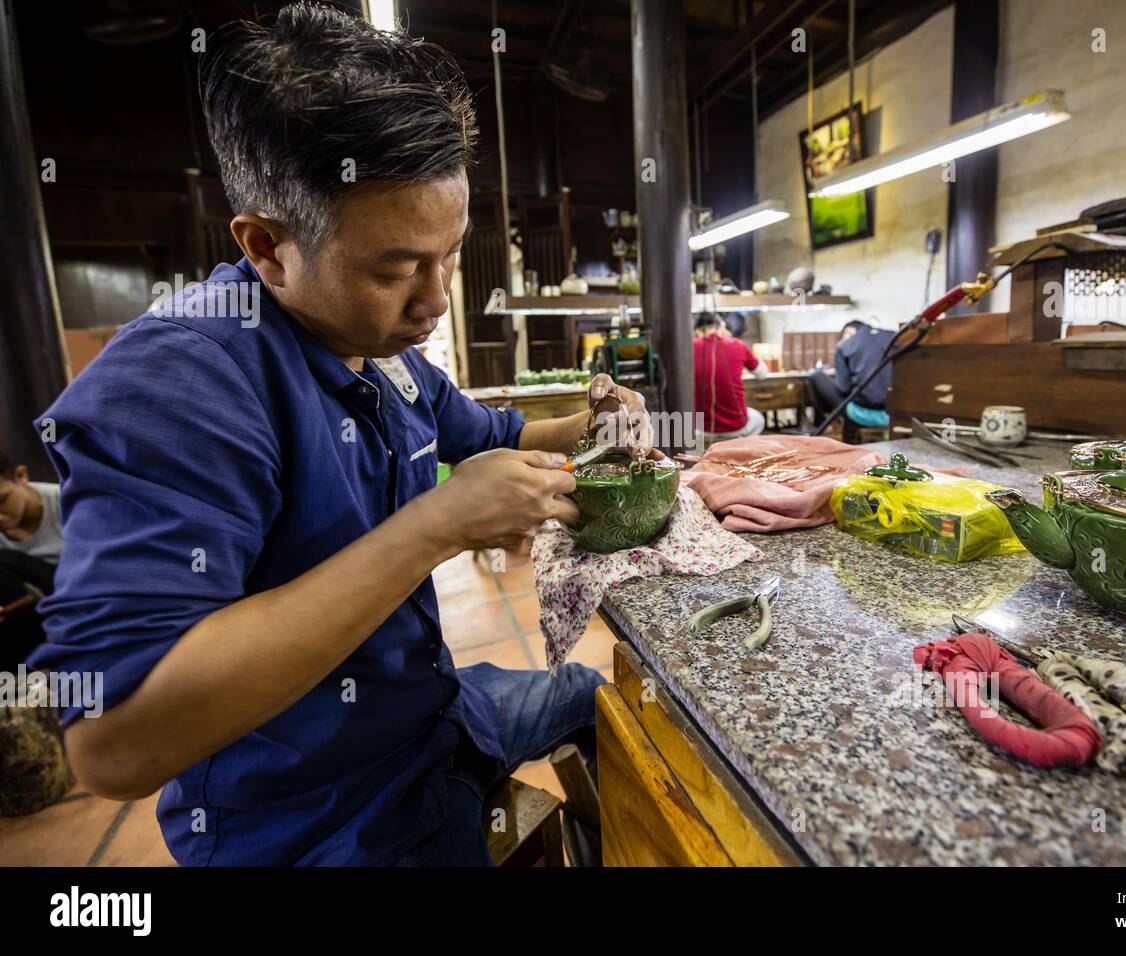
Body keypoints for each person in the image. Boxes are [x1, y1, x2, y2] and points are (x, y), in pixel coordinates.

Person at [27, 3, 653, 867]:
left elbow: (497, 430)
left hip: (433, 721)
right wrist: (433, 528)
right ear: (267, 246)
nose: (434, 303)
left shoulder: (380, 351)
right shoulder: (183, 384)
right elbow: (114, 743)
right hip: (315, 815)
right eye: (396, 269)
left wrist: (599, 419)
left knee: (603, 697)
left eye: (451, 255)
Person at [0, 449, 62, 671]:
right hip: (33, 609)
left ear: (21, 476)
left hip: (81, 586)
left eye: (1, 500)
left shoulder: (67, 502)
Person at [693, 312, 767, 442]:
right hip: (735, 428)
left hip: (698, 429)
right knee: (758, 419)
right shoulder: (739, 345)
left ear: (697, 331)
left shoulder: (688, 348)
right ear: (721, 327)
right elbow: (762, 373)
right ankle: (739, 449)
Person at [809, 319, 893, 421]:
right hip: (894, 413)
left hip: (861, 414)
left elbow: (844, 389)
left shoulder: (845, 345)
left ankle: (825, 420)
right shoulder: (893, 337)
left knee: (816, 376)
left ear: (850, 331)